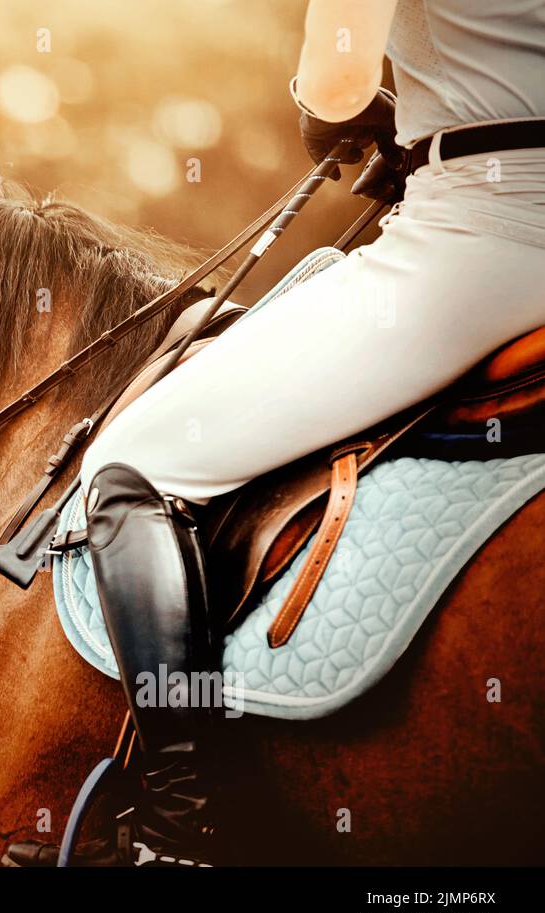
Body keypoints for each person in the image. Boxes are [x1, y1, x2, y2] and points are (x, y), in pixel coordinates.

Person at [80, 0, 545, 864]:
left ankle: (187, 816)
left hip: (487, 238)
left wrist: (335, 108)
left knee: (130, 465)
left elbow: (338, 73)